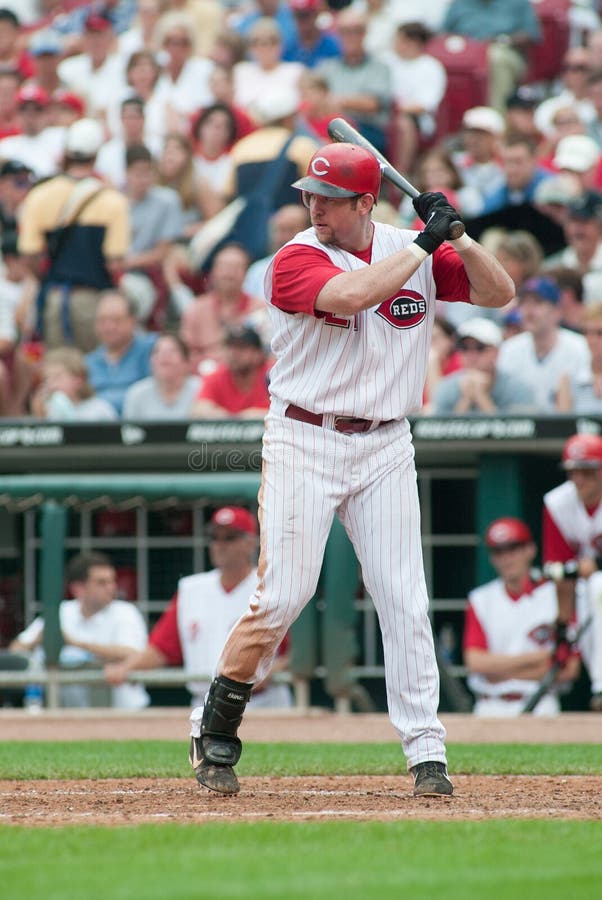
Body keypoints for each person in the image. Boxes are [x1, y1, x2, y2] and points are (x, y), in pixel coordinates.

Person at [187, 140, 515, 798]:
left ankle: (427, 753)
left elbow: (498, 292)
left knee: (403, 597)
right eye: (311, 195)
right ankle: (215, 718)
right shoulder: (294, 258)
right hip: (304, 436)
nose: (315, 207)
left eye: (331, 199)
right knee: (283, 594)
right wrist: (426, 244)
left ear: (366, 202)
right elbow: (351, 296)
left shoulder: (406, 241)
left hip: (386, 441)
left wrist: (459, 235)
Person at [104, 506, 293, 709]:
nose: (220, 545)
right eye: (215, 537)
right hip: (205, 703)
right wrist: (125, 668)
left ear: (251, 543)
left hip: (263, 702)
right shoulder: (191, 589)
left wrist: (272, 670)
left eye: (230, 538)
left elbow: (298, 650)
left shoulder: (272, 586)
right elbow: (162, 648)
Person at [17, 117, 130, 353]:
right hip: (95, 301)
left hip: (55, 297)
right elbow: (115, 263)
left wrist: (46, 278)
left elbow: (29, 255)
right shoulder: (113, 201)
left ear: (67, 151)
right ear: (96, 154)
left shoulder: (40, 195)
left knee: (59, 372)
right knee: (91, 373)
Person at [464, 517, 579, 717]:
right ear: (492, 557)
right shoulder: (481, 599)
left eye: (513, 548)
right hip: (490, 706)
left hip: (541, 705)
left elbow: (569, 668)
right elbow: (475, 662)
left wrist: (498, 673)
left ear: (530, 550)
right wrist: (535, 659)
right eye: (499, 551)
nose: (507, 558)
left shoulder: (557, 595)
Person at [9, 551, 149, 709]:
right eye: (102, 583)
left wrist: (75, 643)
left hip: (124, 714)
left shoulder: (126, 612)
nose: (111, 587)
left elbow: (134, 654)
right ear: (78, 588)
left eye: (112, 581)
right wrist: (39, 640)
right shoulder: (61, 611)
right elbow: (15, 650)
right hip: (68, 715)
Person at [542, 433, 602, 711]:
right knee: (590, 589)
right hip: (584, 587)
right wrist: (563, 629)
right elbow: (561, 573)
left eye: (588, 471)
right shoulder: (558, 503)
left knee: (597, 584)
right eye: (573, 471)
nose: (579, 479)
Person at [496, 275, 589, 412]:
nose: (529, 311)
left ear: (557, 311)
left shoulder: (580, 347)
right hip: (521, 429)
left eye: (537, 303)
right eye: (524, 303)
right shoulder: (509, 349)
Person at [441, 0, 542, 113]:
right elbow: (442, 35)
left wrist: (502, 40)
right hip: (466, 54)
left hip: (504, 50)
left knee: (496, 58)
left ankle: (498, 119)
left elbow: (531, 34)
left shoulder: (518, 2)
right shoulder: (459, 4)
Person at [432, 317, 535, 415]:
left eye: (480, 347)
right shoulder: (445, 387)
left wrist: (481, 397)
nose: (471, 355)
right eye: (464, 348)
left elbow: (519, 431)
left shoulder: (518, 388)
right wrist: (466, 399)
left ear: (496, 352)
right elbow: (443, 431)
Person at [85, 290, 156, 415]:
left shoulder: (152, 350)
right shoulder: (88, 362)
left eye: (116, 320)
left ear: (133, 321)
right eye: (102, 321)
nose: (108, 327)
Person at [190, 324, 271, 419]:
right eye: (230, 347)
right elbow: (198, 409)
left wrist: (255, 415)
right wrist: (233, 419)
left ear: (258, 353)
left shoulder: (272, 374)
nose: (234, 353)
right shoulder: (217, 376)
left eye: (242, 348)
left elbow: (287, 412)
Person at [122, 332, 200, 420]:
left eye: (172, 351)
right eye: (157, 351)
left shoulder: (201, 390)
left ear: (186, 362)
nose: (164, 356)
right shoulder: (136, 393)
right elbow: (128, 431)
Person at [30, 345, 117, 421]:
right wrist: (40, 415)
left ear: (78, 380)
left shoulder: (99, 409)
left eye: (57, 377)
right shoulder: (49, 410)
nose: (51, 384)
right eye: (46, 379)